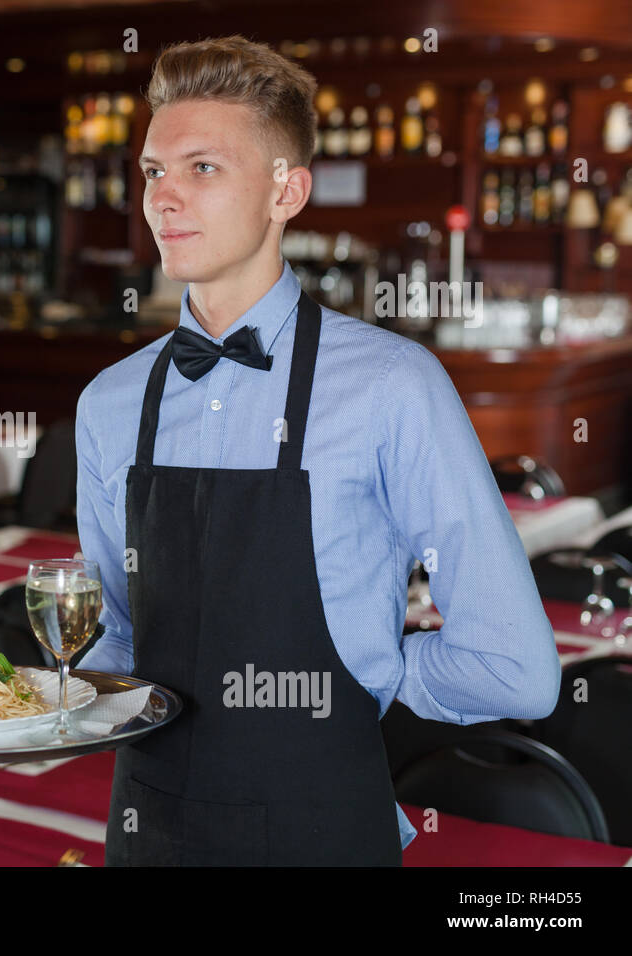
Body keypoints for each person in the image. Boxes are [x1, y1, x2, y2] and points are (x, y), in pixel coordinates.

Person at [75, 36, 561, 866]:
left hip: (324, 830)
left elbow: (514, 667)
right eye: (155, 171)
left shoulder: (392, 386)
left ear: (286, 191)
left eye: (202, 168)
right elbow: (111, 639)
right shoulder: (108, 402)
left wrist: (364, 673)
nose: (164, 198)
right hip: (146, 830)